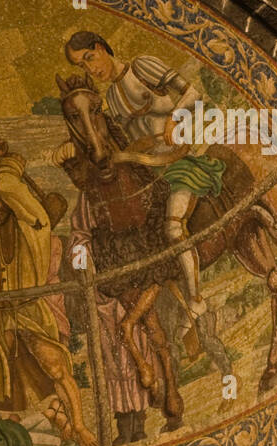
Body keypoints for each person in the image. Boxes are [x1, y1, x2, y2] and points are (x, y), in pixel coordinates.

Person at [65, 30, 224, 322]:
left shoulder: (141, 66)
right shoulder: (110, 97)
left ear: (102, 47)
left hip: (183, 151)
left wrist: (175, 117)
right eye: (82, 66)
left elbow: (192, 92)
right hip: (154, 166)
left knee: (173, 228)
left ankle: (197, 301)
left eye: (90, 58)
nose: (91, 68)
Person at [0, 136, 97, 446]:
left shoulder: (35, 226)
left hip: (33, 311)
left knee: (55, 368)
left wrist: (10, 158)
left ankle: (80, 427)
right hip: (1, 315)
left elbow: (5, 183)